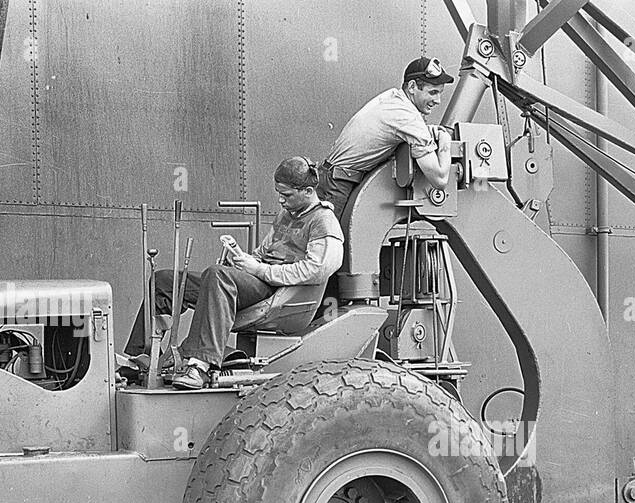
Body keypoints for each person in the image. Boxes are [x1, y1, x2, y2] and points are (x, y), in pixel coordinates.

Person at [121, 157, 344, 389]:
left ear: (308, 191)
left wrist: (260, 269)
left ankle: (200, 366)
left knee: (218, 275)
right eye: (279, 193)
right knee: (165, 281)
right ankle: (138, 360)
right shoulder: (285, 216)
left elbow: (317, 271)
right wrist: (241, 257)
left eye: (286, 195)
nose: (280, 200)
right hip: (260, 281)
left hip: (279, 294)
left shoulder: (323, 221)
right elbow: (262, 253)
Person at [319, 57, 456, 220]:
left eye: (440, 93)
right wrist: (445, 141)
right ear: (412, 87)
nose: (438, 101)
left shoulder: (392, 97)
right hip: (338, 184)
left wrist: (425, 131)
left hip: (327, 176)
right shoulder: (408, 118)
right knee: (327, 243)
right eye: (432, 92)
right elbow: (440, 179)